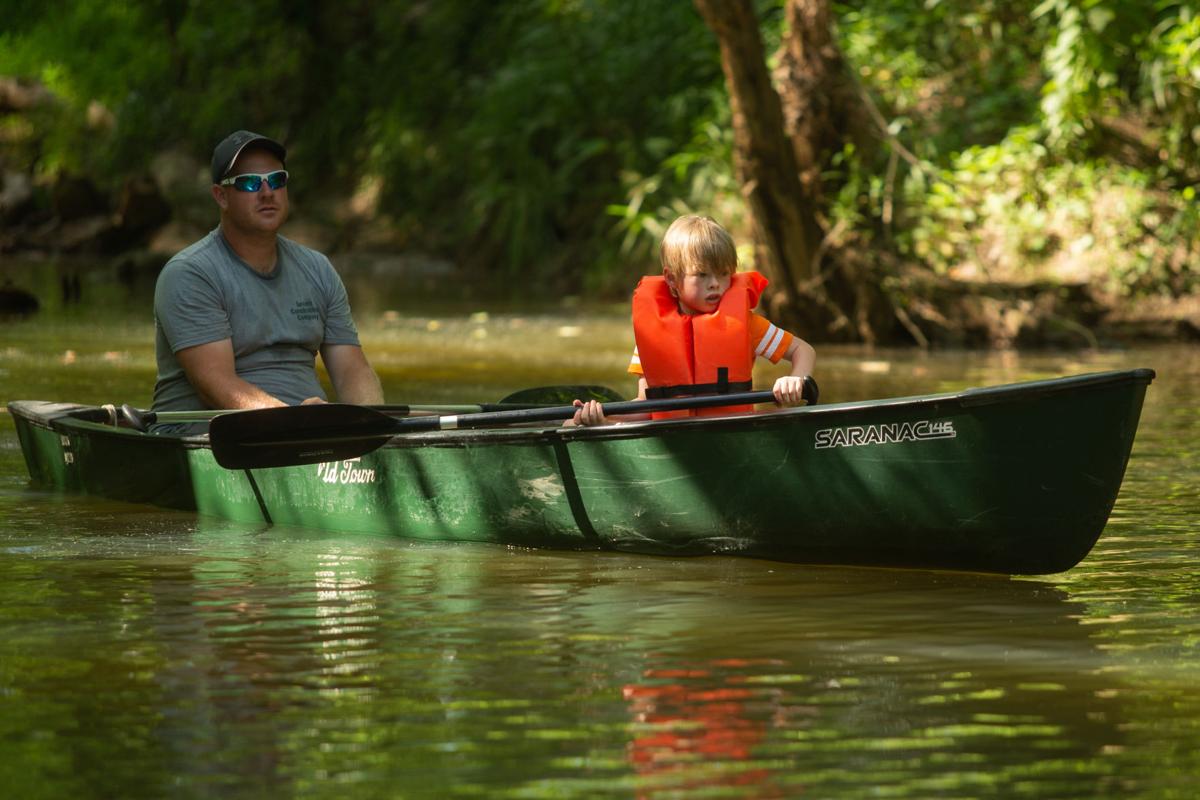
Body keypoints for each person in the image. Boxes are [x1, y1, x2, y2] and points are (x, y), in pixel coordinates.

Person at [151, 130, 383, 430]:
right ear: (221, 196)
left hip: (309, 436)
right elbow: (216, 385)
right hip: (214, 438)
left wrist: (369, 425)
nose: (266, 192)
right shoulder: (190, 274)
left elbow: (352, 369)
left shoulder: (318, 269)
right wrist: (297, 423)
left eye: (276, 180)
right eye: (249, 183)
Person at [569, 214, 815, 426]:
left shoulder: (747, 326)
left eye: (723, 273)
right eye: (702, 274)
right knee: (574, 423)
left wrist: (795, 379)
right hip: (673, 440)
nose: (715, 284)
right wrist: (605, 420)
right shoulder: (651, 338)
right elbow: (647, 407)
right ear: (672, 280)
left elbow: (803, 350)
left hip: (734, 436)